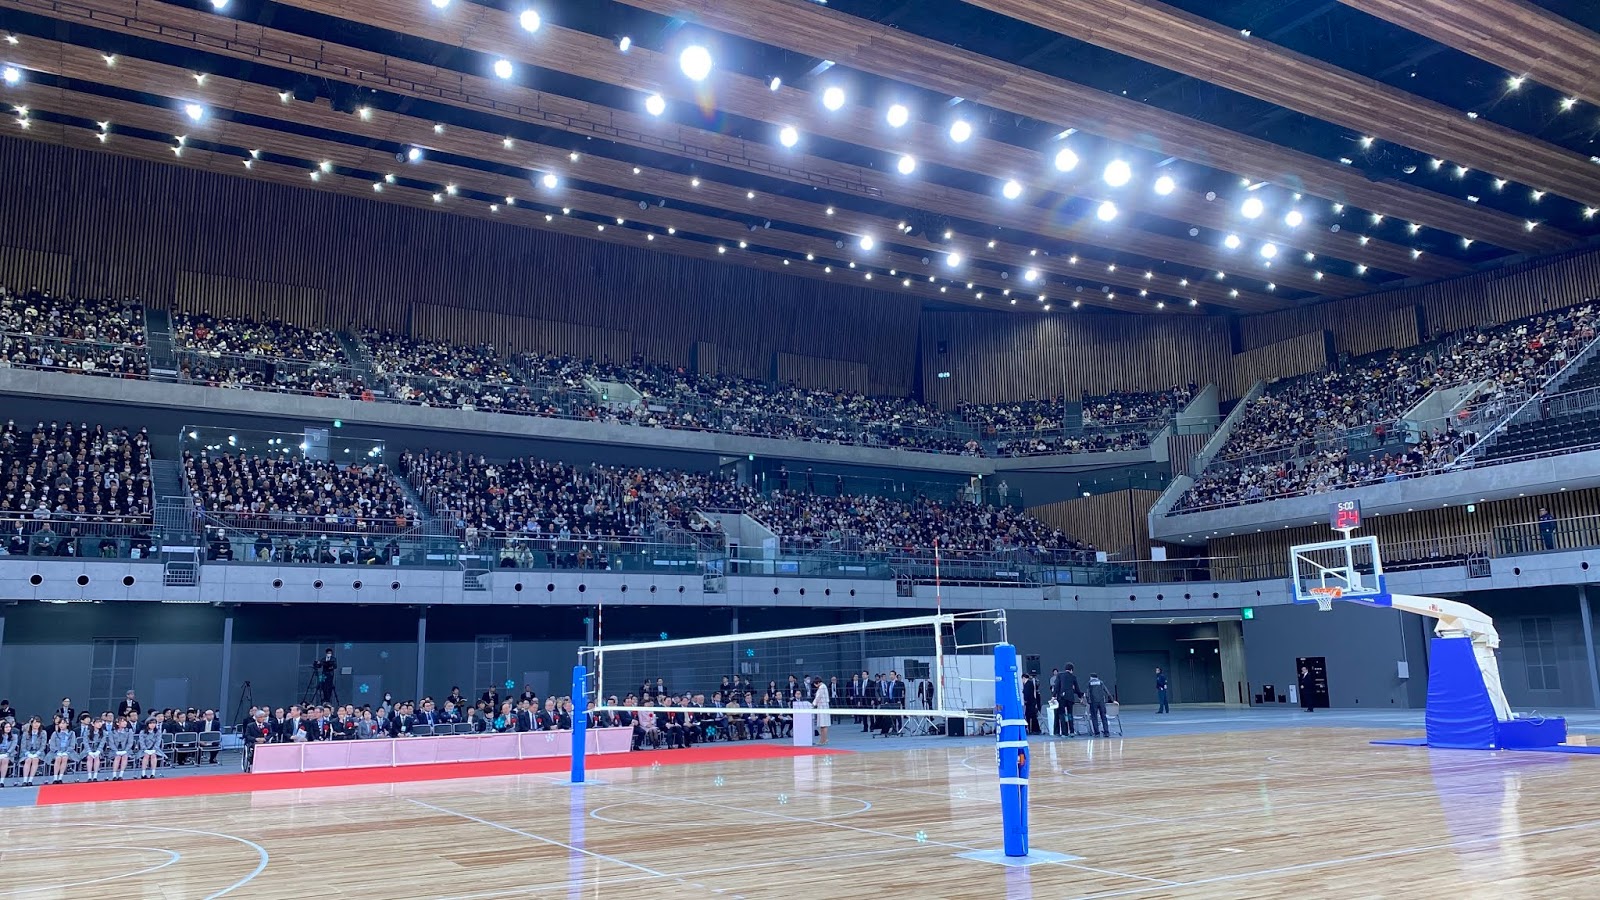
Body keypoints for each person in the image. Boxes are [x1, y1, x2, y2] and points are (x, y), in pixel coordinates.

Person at [18, 718, 47, 786]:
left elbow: (43, 746)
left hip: (38, 753)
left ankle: (30, 780)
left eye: (38, 723)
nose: (37, 724)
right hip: (27, 752)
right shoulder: (26, 733)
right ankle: (25, 780)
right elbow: (23, 746)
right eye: (35, 723)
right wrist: (28, 753)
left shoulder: (43, 733)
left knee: (35, 760)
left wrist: (37, 753)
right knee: (28, 760)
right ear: (31, 724)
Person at [79, 718, 107, 782]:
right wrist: (89, 751)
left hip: (98, 750)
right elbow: (85, 743)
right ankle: (89, 776)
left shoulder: (104, 733)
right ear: (93, 724)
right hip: (88, 750)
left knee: (97, 757)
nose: (99, 724)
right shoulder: (87, 732)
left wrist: (98, 751)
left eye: (100, 722)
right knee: (90, 757)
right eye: (97, 722)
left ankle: (95, 776)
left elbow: (102, 743)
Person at [812, 674, 831, 746]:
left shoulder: (822, 687)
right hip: (821, 707)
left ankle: (824, 740)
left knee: (824, 724)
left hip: (823, 707)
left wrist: (813, 705)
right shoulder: (822, 687)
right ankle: (822, 740)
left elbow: (818, 697)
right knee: (822, 725)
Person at [0, 720, 16, 787]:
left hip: (9, 755)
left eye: (9, 727)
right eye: (6, 727)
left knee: (5, 760)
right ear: (2, 728)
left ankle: (2, 781)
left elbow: (13, 747)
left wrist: (7, 754)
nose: (8, 728)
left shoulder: (14, 736)